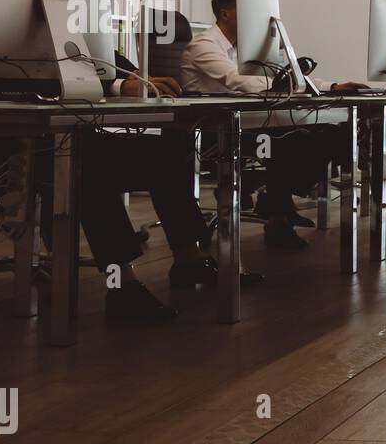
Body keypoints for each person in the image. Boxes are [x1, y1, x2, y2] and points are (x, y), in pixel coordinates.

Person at [44, 53, 258, 324]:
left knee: (167, 145)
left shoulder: (77, 24)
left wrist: (135, 77)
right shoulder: (6, 28)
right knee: (87, 160)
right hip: (12, 137)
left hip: (71, 129)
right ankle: (121, 283)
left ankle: (189, 259)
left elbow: (105, 56)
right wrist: (119, 86)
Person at [180, 0, 367, 248]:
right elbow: (238, 81)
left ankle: (272, 198)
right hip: (219, 132)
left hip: (254, 124)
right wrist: (285, 83)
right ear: (225, 13)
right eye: (248, 11)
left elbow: (287, 78)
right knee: (296, 142)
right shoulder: (204, 45)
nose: (255, 19)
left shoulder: (245, 49)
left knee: (331, 133)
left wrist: (330, 86)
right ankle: (276, 210)